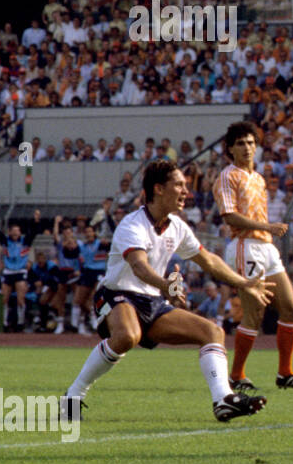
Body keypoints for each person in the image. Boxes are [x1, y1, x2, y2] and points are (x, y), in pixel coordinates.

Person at [61, 160, 275, 423]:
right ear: (159, 189)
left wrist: (243, 283)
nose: (186, 191)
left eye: (185, 185)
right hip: (118, 295)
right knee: (128, 336)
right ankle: (73, 396)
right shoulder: (132, 225)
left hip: (152, 301)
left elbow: (208, 261)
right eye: (179, 185)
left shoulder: (177, 226)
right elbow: (139, 267)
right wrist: (167, 286)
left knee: (213, 332)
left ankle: (223, 399)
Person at [215, 121, 293, 391]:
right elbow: (230, 215)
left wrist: (267, 232)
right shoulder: (227, 175)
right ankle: (236, 375)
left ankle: (285, 373)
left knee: (290, 307)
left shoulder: (258, 178)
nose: (247, 148)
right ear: (230, 149)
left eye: (251, 143)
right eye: (241, 143)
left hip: (266, 247)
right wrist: (267, 227)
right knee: (254, 312)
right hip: (245, 245)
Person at [0, 207, 50, 332]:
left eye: (18, 231)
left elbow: (33, 232)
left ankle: (20, 323)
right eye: (13, 231)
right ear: (10, 232)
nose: (16, 233)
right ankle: (5, 323)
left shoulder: (25, 242)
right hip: (8, 272)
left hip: (20, 271)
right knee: (4, 299)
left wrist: (36, 220)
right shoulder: (5, 241)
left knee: (20, 299)